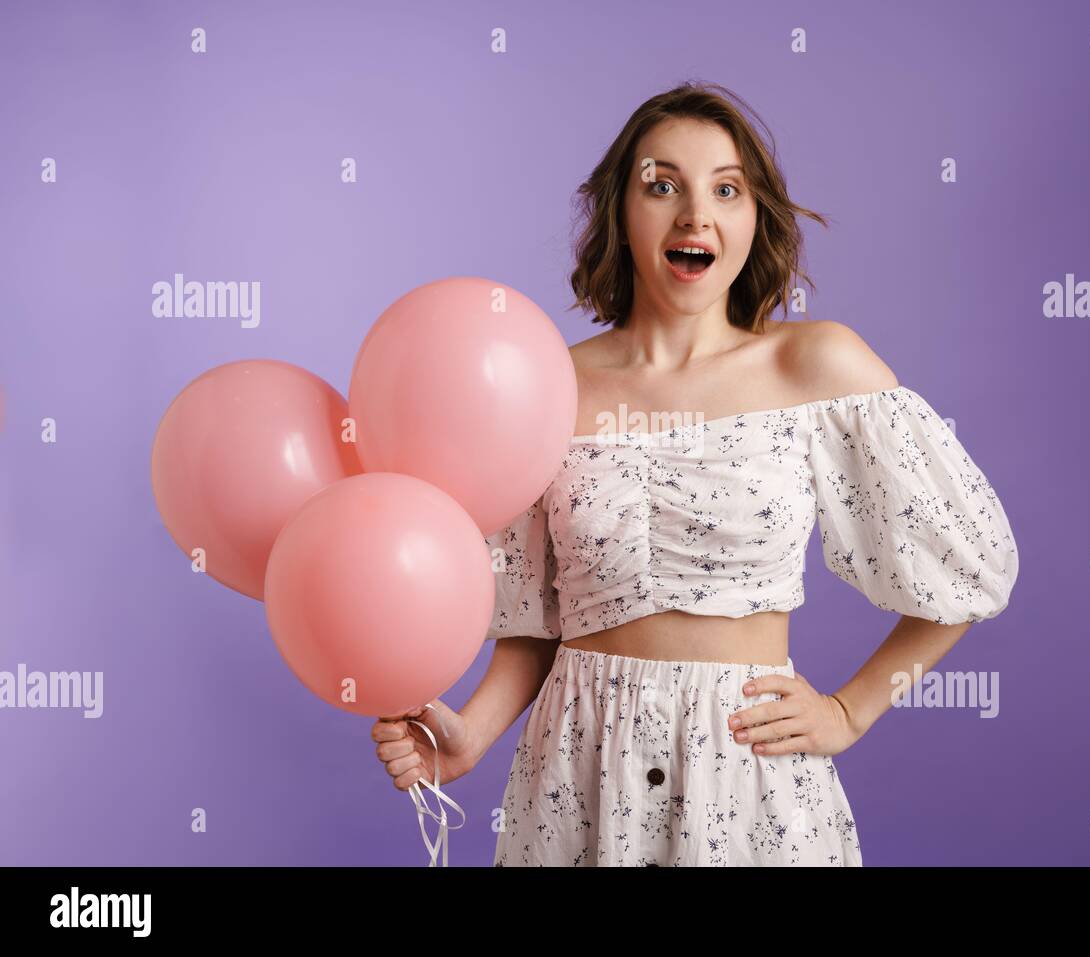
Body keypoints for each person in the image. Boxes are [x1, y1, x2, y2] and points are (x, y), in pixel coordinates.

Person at [371, 81, 1020, 866]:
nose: (694, 215)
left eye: (726, 189)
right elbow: (537, 619)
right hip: (577, 779)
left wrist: (848, 711)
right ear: (620, 210)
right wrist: (468, 736)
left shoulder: (816, 364)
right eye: (663, 185)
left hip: (748, 780)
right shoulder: (543, 382)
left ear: (753, 218)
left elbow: (970, 569)